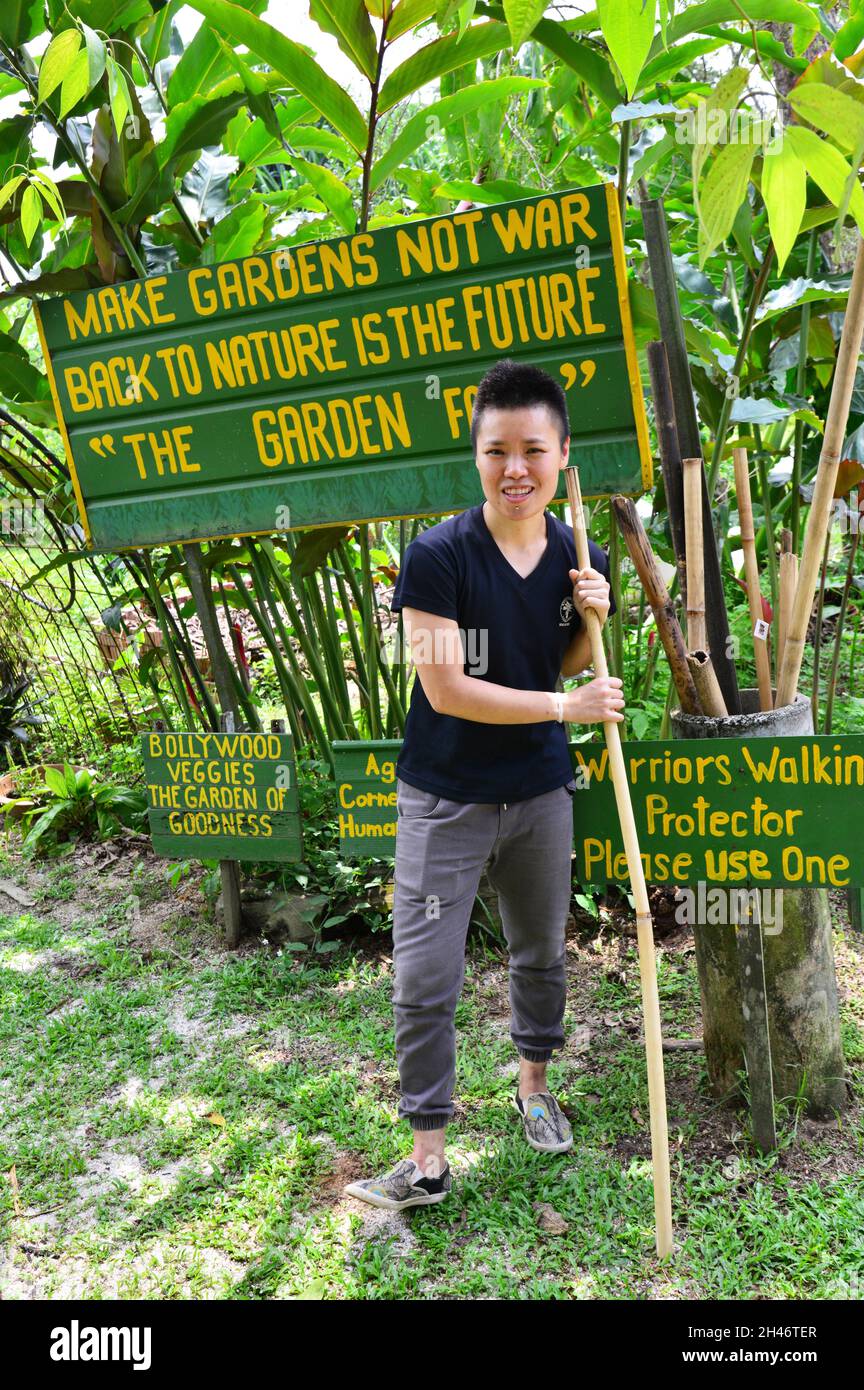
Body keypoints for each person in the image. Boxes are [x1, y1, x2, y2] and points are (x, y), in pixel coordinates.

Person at [344, 358, 623, 1212]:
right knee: (426, 977)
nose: (515, 468)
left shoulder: (579, 551)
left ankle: (532, 1087)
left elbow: (564, 662)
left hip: (538, 792)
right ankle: (427, 1157)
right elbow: (446, 690)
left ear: (560, 454)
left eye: (532, 450)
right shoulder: (433, 559)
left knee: (539, 954)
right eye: (496, 449)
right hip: (444, 798)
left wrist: (592, 619)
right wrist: (564, 704)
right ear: (475, 456)